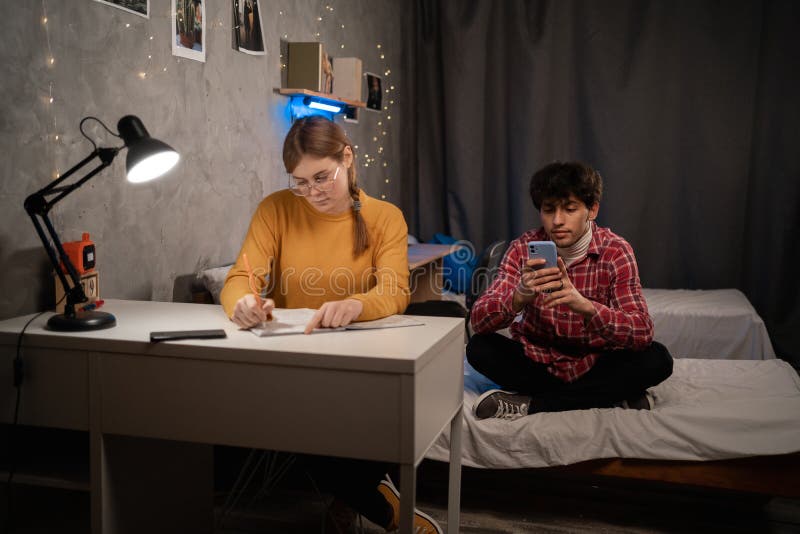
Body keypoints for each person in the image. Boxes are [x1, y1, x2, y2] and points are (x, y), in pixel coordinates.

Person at [220, 116, 442, 534]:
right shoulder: (275, 208)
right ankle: (375, 502)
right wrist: (244, 302)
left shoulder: (386, 217)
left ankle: (353, 497)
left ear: (348, 158)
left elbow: (395, 292)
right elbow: (238, 278)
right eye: (299, 182)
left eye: (321, 177)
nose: (312, 192)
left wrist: (356, 304)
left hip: (360, 361)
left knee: (373, 407)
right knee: (301, 416)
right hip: (295, 361)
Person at [467, 161, 673, 419]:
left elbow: (642, 330)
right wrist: (517, 297)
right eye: (548, 210)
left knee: (658, 359)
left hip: (595, 362)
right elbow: (478, 320)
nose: (557, 221)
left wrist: (586, 307)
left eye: (570, 209)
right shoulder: (523, 247)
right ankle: (608, 396)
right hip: (537, 361)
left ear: (592, 210)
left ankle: (533, 404)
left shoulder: (616, 251)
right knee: (478, 347)